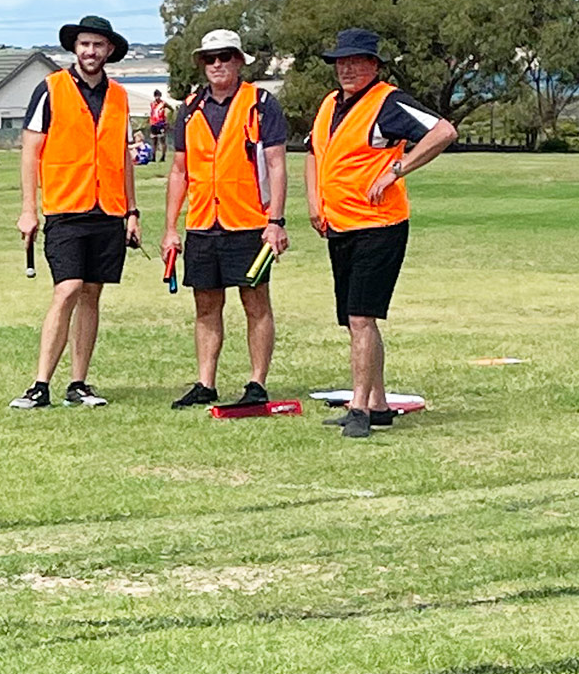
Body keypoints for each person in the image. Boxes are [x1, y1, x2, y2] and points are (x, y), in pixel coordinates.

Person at [307, 28, 457, 438]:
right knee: (356, 320)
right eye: (341, 61)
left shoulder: (388, 101)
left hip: (379, 226)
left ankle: (358, 408)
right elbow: (315, 152)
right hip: (339, 224)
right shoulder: (330, 105)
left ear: (374, 65)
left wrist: (398, 168)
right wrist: (314, 202)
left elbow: (443, 131)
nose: (347, 68)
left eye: (356, 61)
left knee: (361, 317)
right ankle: (377, 403)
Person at [11, 14, 140, 409]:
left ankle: (78, 383)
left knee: (92, 294)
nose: (90, 51)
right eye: (84, 44)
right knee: (66, 289)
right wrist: (28, 209)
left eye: (98, 45)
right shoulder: (50, 89)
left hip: (109, 210)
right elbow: (31, 150)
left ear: (109, 51)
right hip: (66, 208)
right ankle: (40, 384)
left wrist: (132, 211)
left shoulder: (119, 96)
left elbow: (123, 156)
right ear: (74, 48)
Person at [160, 29, 289, 410]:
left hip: (249, 220)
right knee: (205, 305)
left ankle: (256, 382)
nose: (217, 64)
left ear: (239, 60)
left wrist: (276, 220)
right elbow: (179, 171)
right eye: (210, 58)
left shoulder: (262, 104)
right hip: (202, 222)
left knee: (256, 303)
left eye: (225, 56)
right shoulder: (189, 107)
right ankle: (205, 382)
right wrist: (170, 228)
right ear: (202, 63)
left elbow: (277, 165)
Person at [148, 90, 170, 161]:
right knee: (154, 141)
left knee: (162, 140)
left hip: (161, 123)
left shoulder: (163, 103)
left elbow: (170, 109)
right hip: (154, 123)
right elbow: (152, 113)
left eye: (158, 96)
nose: (157, 97)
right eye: (156, 96)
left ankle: (163, 156)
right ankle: (153, 157)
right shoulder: (152, 104)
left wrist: (166, 119)